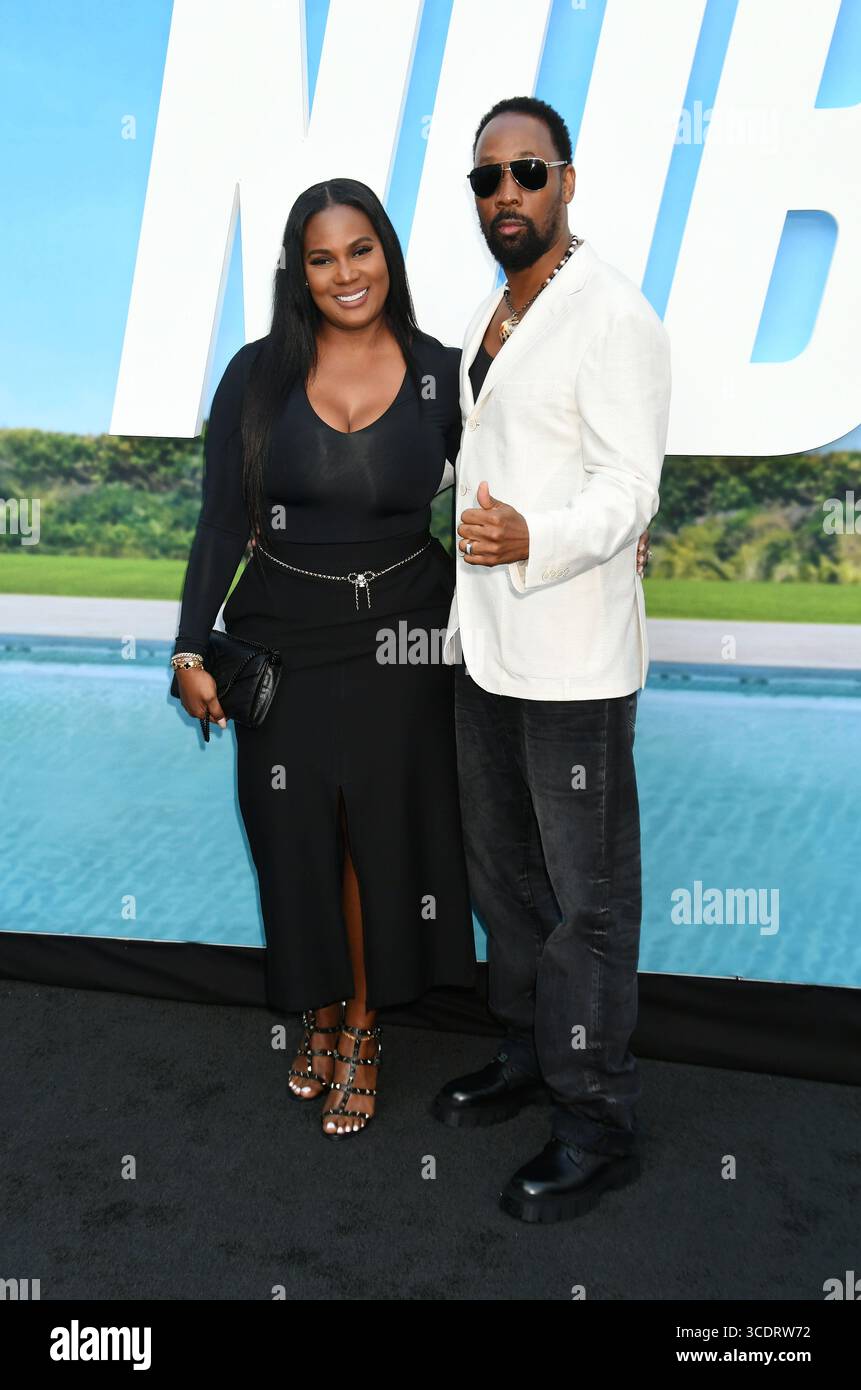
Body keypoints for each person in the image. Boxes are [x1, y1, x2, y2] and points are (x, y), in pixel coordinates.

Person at [170, 179, 478, 1139]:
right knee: (295, 833)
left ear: (387, 254)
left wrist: (609, 527)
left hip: (405, 634)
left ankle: (360, 1026)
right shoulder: (256, 375)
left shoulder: (441, 373)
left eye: (361, 250)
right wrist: (188, 646)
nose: (346, 273)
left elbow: (501, 489)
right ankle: (311, 1005)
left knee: (379, 839)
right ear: (297, 274)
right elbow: (222, 519)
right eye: (322, 257)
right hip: (281, 634)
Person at [432, 96, 672, 1223]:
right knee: (504, 882)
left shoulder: (610, 312)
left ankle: (597, 1120)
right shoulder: (501, 309)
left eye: (526, 171)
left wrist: (538, 536)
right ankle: (534, 1051)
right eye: (487, 179)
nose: (506, 194)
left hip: (572, 661)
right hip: (486, 649)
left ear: (566, 179)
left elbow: (631, 489)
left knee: (588, 904)